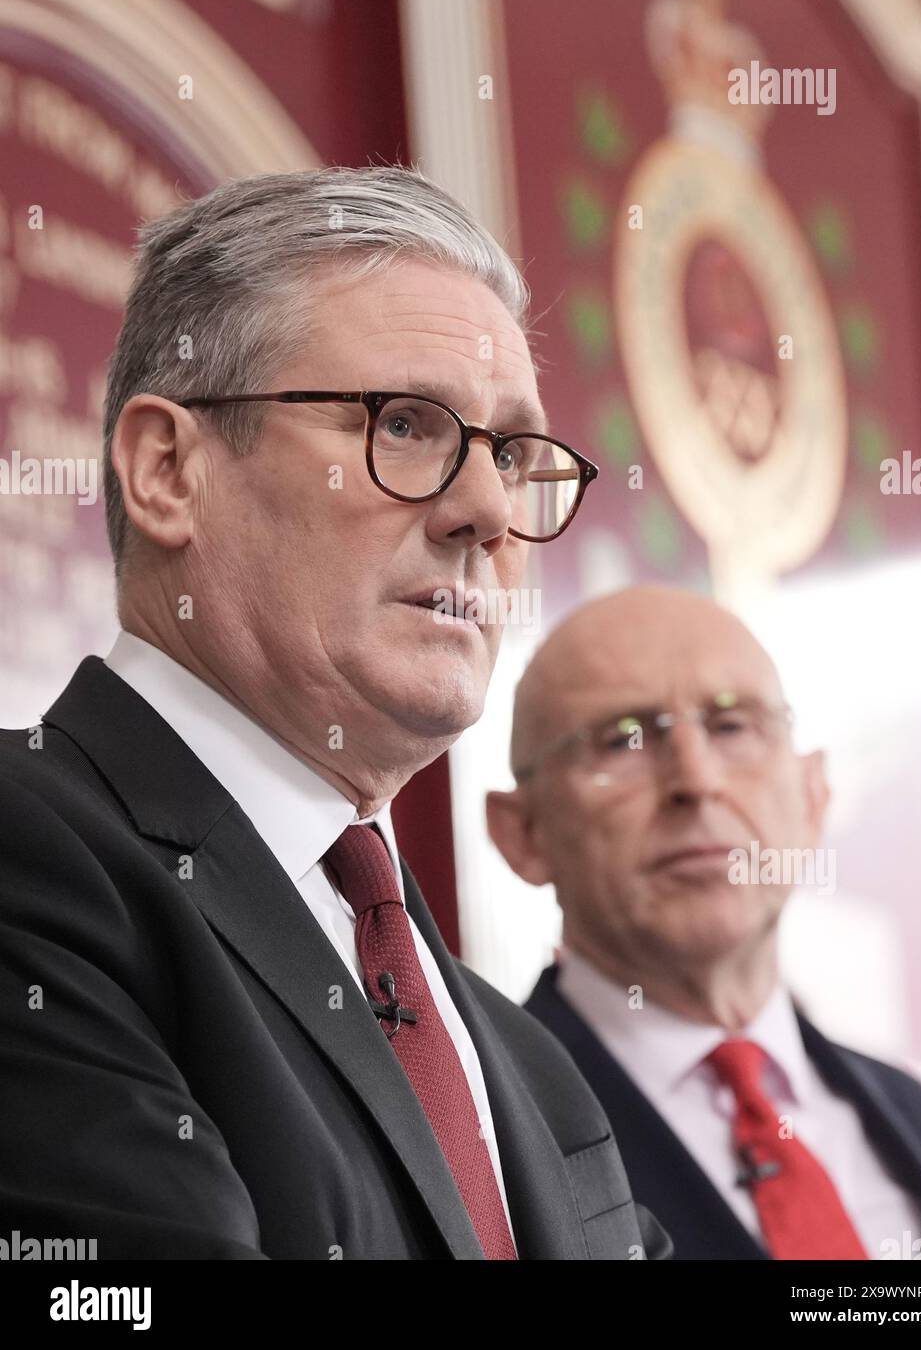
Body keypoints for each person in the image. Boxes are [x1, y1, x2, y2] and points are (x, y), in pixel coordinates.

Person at [0, 167, 670, 1261]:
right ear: (167, 470)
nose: (487, 511)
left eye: (511, 455)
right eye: (404, 424)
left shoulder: (533, 1072)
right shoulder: (31, 860)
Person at [487, 584, 921, 1259]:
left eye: (731, 727)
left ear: (812, 796)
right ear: (522, 832)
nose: (695, 780)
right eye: (623, 740)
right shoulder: (478, 1143)